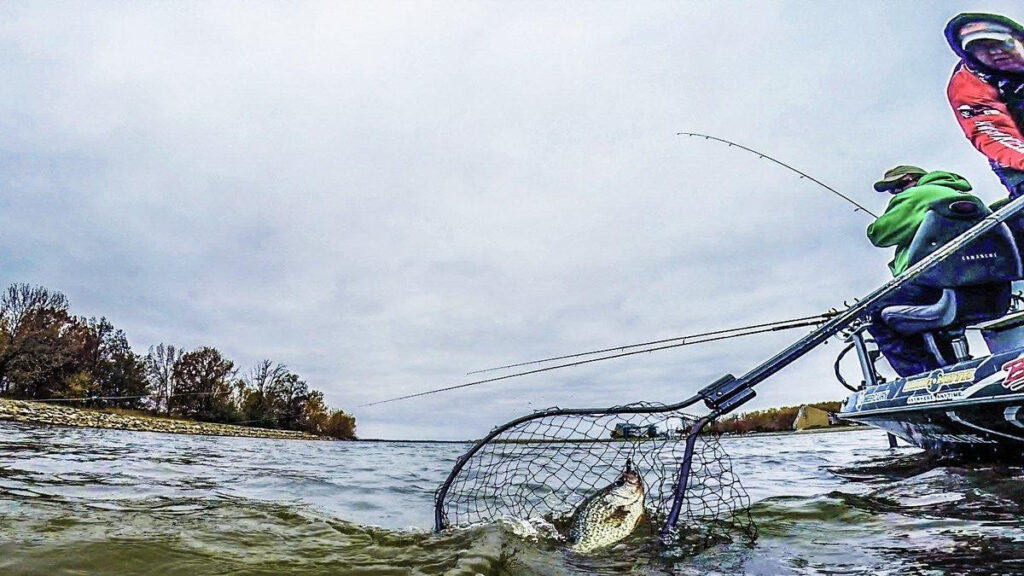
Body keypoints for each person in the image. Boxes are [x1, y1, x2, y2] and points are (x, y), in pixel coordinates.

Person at [865, 166, 980, 377]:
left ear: (908, 180)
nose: (895, 195)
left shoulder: (917, 194)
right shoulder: (963, 196)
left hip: (937, 285)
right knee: (930, 325)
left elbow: (878, 234)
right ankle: (956, 372)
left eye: (895, 189)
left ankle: (921, 380)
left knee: (873, 313)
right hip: (982, 289)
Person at [945, 13, 1024, 199]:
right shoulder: (968, 83)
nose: (995, 53)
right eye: (979, 48)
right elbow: (992, 133)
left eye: (1000, 43)